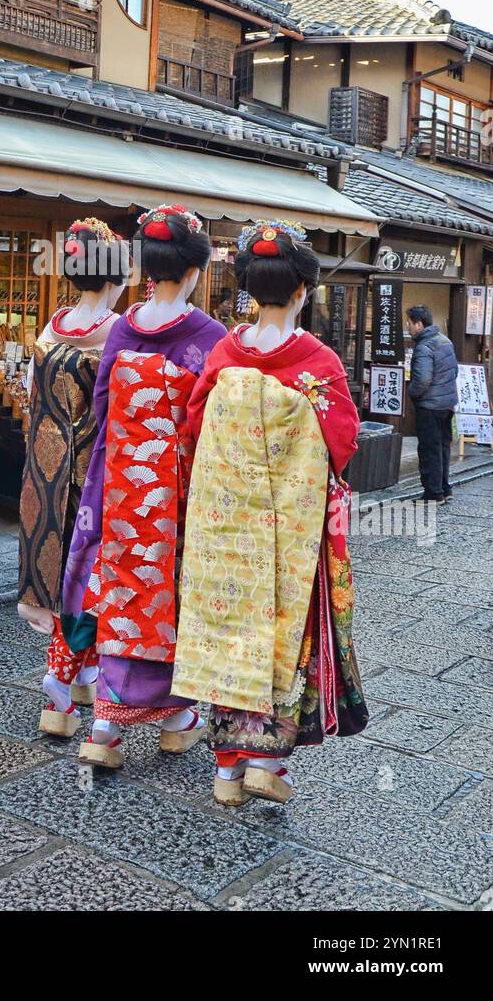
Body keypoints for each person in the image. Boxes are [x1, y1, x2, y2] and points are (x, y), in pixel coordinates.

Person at [172, 220, 368, 807]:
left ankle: (228, 769)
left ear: (251, 292)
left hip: (226, 531)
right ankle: (267, 761)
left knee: (227, 628)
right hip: (289, 531)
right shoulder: (318, 360)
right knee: (285, 630)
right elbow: (344, 440)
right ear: (305, 291)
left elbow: (192, 426)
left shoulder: (225, 352)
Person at [61, 204, 226, 770]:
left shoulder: (124, 327)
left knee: (119, 592)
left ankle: (105, 729)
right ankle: (176, 716)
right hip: (177, 492)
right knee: (171, 598)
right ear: (196, 271)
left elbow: (102, 405)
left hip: (118, 486)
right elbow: (213, 425)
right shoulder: (209, 336)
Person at [17, 218, 129, 738]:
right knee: (90, 573)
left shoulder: (51, 324)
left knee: (56, 566)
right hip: (88, 468)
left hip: (43, 463)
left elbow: (31, 398)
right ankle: (60, 683)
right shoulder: (113, 333)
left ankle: (75, 675)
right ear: (112, 280)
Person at [406, 304, 459, 505]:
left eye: (410, 323)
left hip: (430, 406)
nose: (408, 327)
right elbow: (454, 372)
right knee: (443, 447)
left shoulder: (424, 346)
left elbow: (422, 380)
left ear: (419, 324)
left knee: (429, 449)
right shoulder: (445, 341)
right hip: (447, 404)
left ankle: (433, 493)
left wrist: (412, 393)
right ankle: (445, 488)